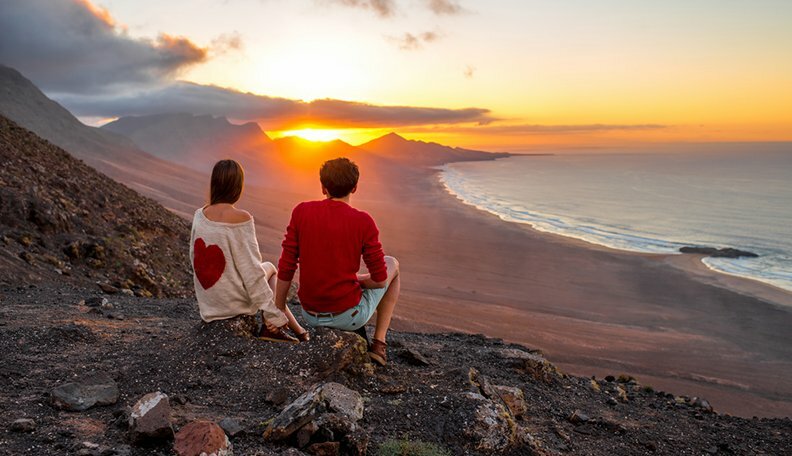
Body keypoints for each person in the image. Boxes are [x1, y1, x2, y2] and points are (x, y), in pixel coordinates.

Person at [275, 157, 400, 365]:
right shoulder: (363, 221)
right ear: (355, 187)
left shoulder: (301, 212)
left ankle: (375, 342)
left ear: (323, 187)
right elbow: (380, 280)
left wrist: (278, 308)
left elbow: (286, 265)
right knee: (393, 264)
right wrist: (355, 280)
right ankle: (379, 344)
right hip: (348, 316)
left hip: (309, 315)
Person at [190, 159, 308, 342]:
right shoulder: (241, 219)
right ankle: (277, 329)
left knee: (263, 269)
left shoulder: (199, 215)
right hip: (234, 305)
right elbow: (252, 273)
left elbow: (194, 258)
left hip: (210, 306)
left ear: (214, 183)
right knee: (269, 268)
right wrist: (273, 314)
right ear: (238, 186)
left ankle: (299, 331)